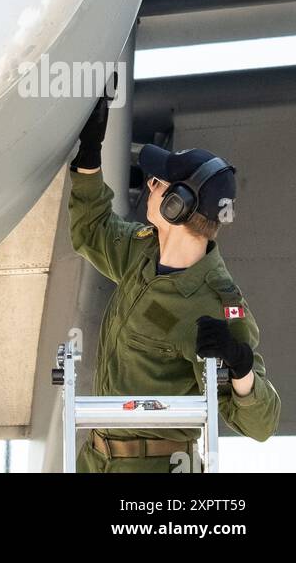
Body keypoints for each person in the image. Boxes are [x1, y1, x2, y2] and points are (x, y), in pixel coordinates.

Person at [69, 95, 280, 473]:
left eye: (156, 182)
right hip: (95, 458)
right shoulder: (143, 252)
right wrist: (89, 154)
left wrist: (241, 367)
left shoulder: (214, 303)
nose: (148, 187)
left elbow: (261, 424)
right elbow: (91, 230)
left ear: (176, 206)